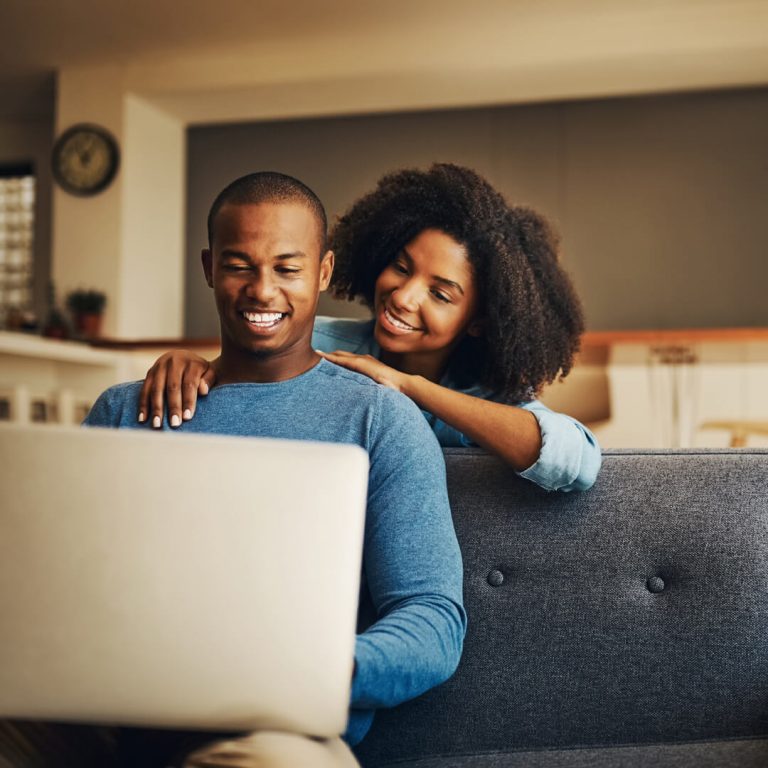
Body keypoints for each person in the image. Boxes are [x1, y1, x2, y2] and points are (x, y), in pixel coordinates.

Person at [0, 172, 465, 768]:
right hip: (103, 716)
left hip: (272, 731)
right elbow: (48, 583)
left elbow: (433, 620)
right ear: (209, 267)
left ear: (323, 273)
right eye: (239, 265)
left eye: (287, 269)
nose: (261, 290)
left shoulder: (379, 420)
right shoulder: (124, 408)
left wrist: (316, 671)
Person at [138, 164, 601, 492]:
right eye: (401, 267)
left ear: (480, 321)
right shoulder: (318, 340)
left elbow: (576, 462)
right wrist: (195, 367)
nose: (404, 296)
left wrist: (410, 387)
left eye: (440, 294)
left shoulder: (484, 393)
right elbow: (244, 373)